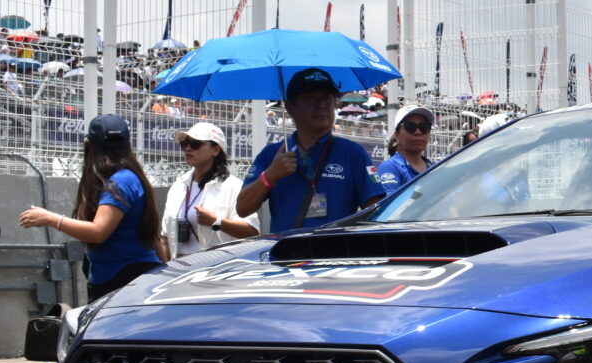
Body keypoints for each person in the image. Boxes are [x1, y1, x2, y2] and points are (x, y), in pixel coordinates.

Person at [19, 115, 164, 301]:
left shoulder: (121, 181)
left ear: (90, 145)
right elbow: (151, 236)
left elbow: (98, 232)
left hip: (127, 280)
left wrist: (50, 218)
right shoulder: (121, 179)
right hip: (115, 278)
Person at [236, 68, 385, 233]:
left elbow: (377, 213)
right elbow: (242, 209)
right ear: (290, 106)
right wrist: (269, 176)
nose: (321, 104)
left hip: (335, 256)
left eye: (327, 98)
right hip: (285, 256)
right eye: (311, 98)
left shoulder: (353, 153)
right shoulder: (272, 154)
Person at [158, 122, 259, 260]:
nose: (187, 148)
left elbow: (252, 231)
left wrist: (216, 222)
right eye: (184, 144)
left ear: (216, 150)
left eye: (195, 144)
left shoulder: (233, 186)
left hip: (215, 270)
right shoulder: (179, 185)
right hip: (178, 270)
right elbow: (165, 236)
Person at [375, 103, 435, 190]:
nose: (418, 132)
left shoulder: (435, 168)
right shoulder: (390, 167)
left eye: (424, 127)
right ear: (397, 134)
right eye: (410, 126)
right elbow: (393, 203)